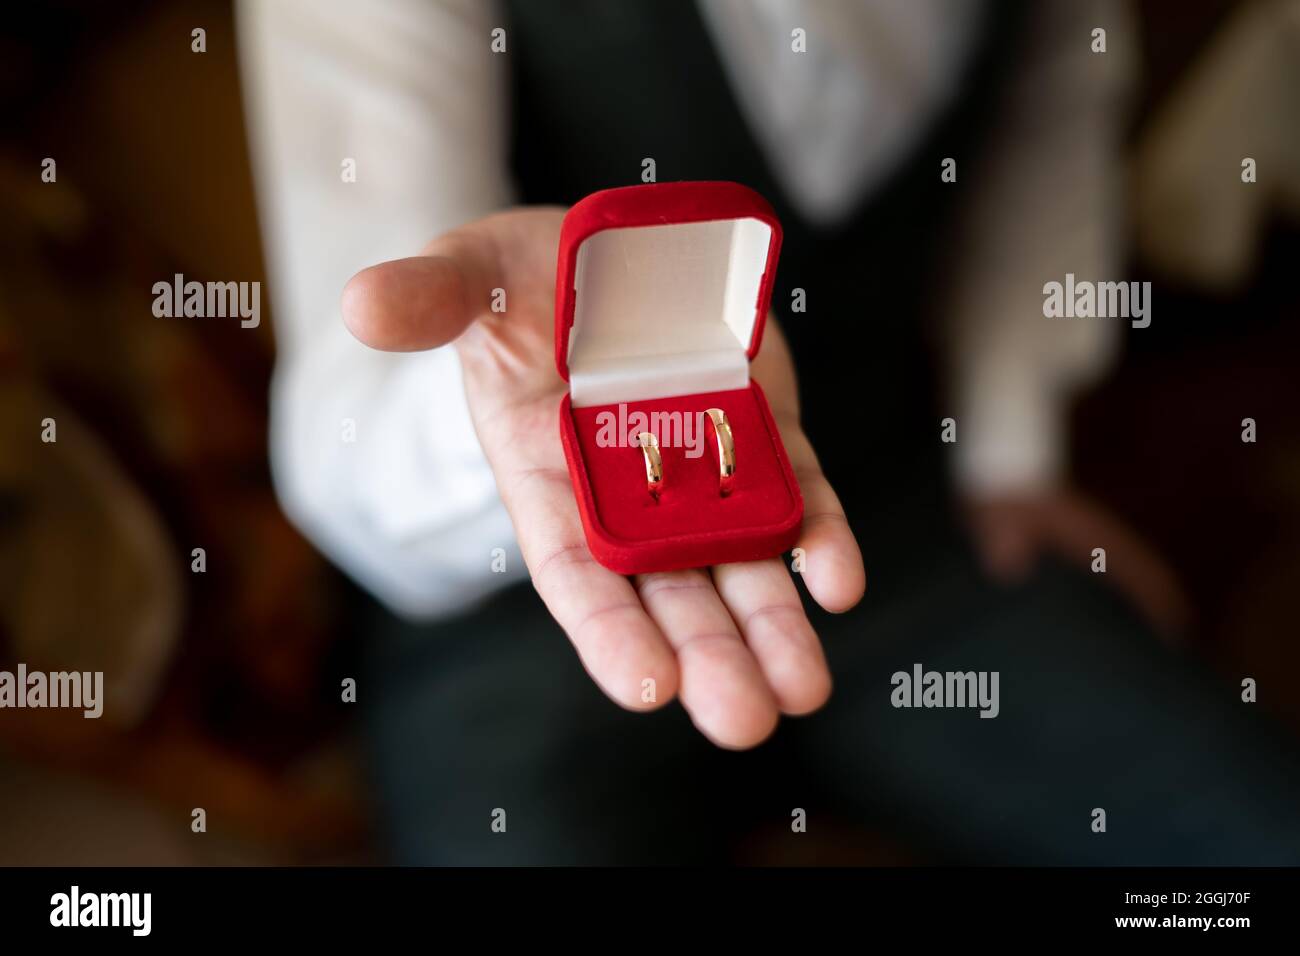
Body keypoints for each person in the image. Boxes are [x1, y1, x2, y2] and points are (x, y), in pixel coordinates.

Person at [238, 0, 1300, 863]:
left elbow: (1048, 117)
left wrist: (1012, 444)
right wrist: (524, 404)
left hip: (898, 526)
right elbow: (349, 434)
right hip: (511, 608)